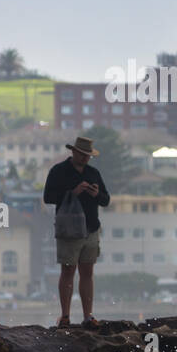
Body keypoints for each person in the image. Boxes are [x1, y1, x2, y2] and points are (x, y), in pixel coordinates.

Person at [43, 136, 110, 328]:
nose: (85, 158)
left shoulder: (93, 173)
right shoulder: (58, 171)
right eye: (82, 154)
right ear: (73, 152)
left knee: (87, 272)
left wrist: (96, 194)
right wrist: (73, 192)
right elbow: (48, 197)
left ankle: (88, 316)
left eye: (88, 155)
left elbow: (106, 200)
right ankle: (65, 316)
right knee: (68, 271)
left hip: (91, 228)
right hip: (69, 229)